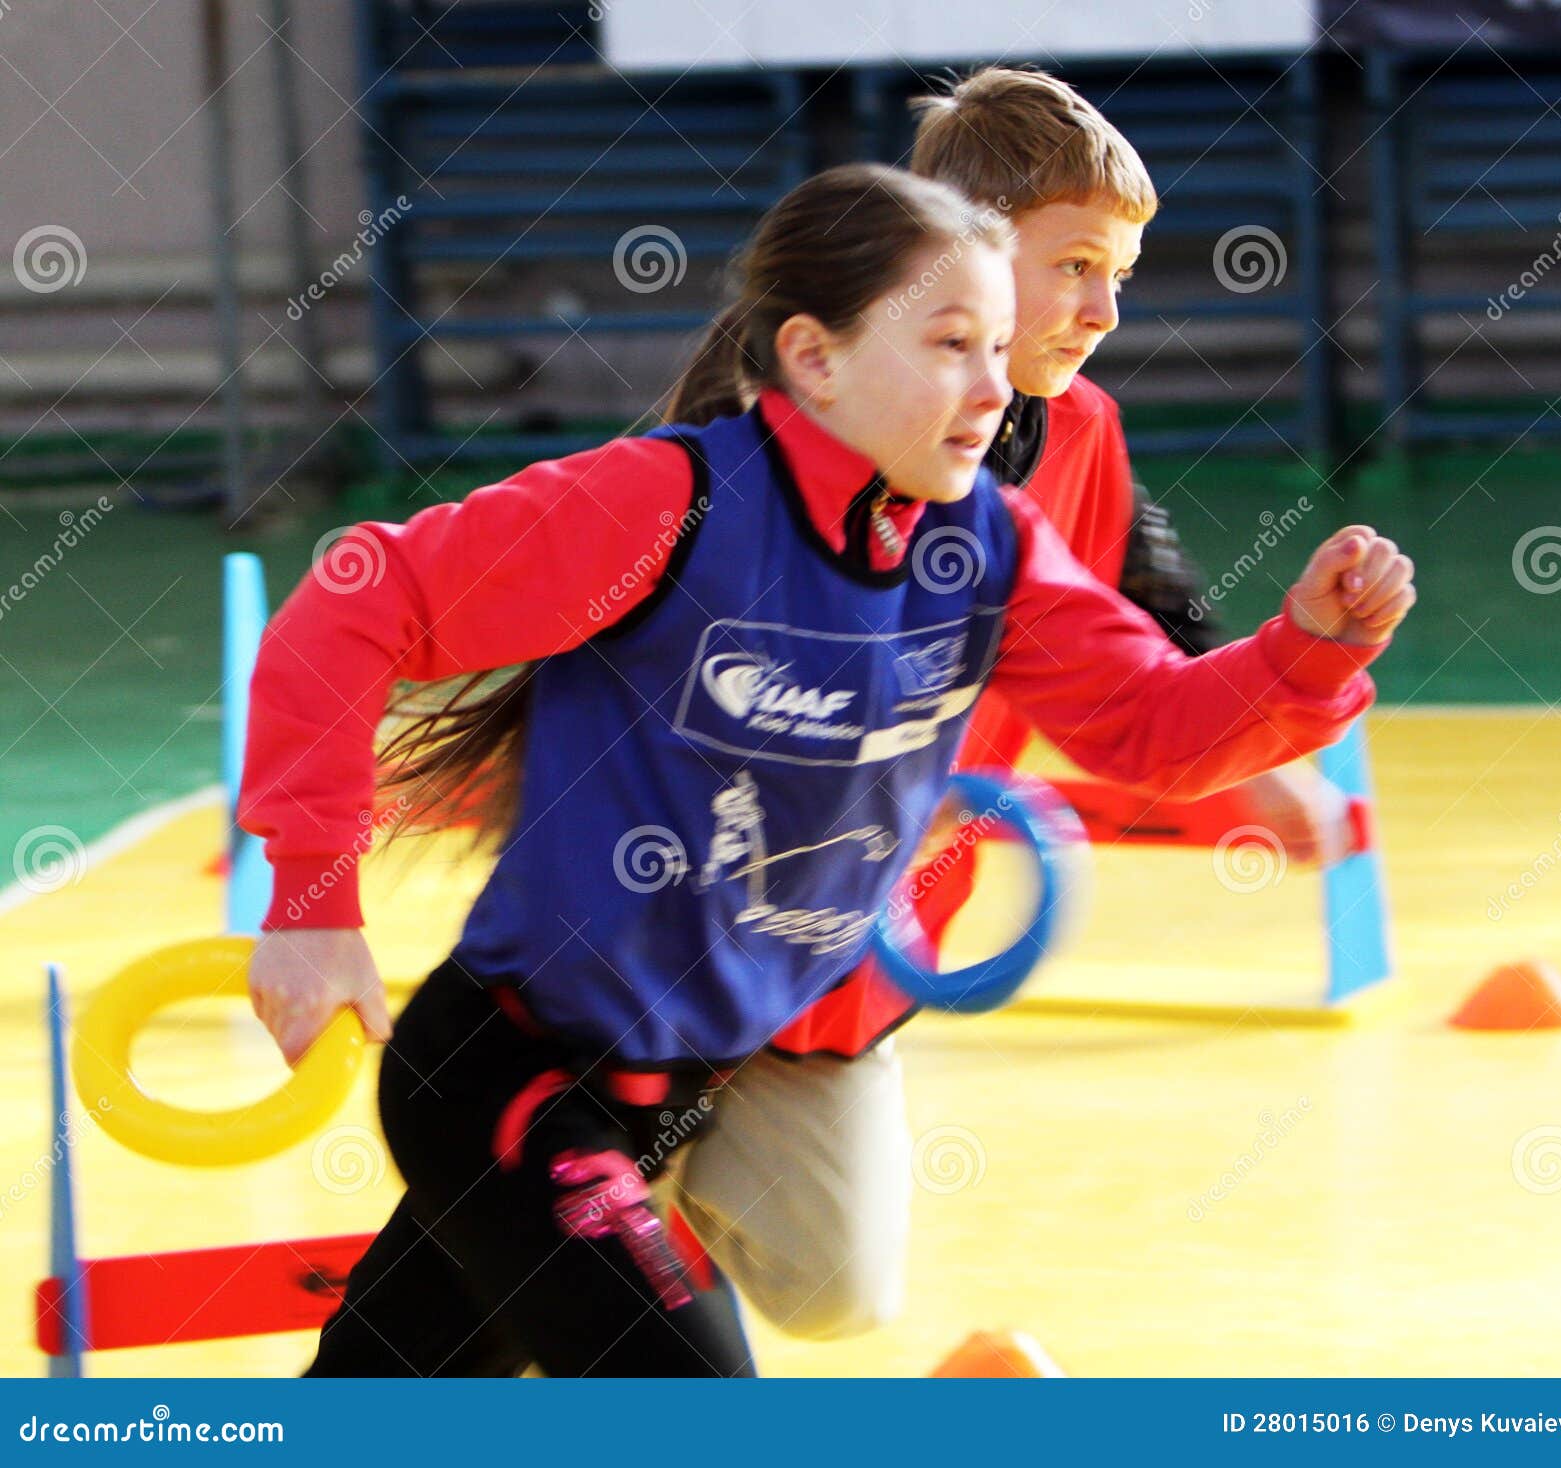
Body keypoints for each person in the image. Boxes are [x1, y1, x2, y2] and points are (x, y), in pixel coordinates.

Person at [243, 163, 1413, 1377]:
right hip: (509, 1077)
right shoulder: (669, 505)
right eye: (951, 343)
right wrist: (312, 897)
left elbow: (1152, 728)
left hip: (673, 1095)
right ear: (814, 357)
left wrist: (1306, 652)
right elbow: (356, 599)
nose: (988, 385)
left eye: (997, 345)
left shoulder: (987, 547)